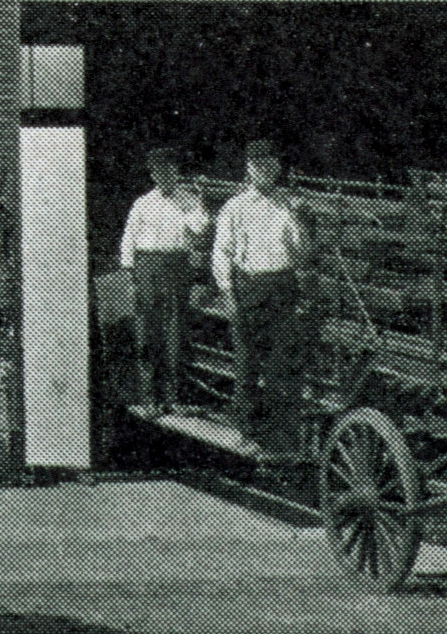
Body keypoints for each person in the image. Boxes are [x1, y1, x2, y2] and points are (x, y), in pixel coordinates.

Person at [211, 139, 314, 458]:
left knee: (280, 366)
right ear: (249, 169)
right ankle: (246, 432)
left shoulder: (290, 204)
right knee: (247, 363)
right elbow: (221, 253)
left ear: (278, 169)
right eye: (258, 166)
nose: (265, 171)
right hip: (248, 288)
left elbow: (304, 253)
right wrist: (227, 292)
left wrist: (301, 221)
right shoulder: (235, 207)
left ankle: (279, 440)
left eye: (270, 166)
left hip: (282, 288)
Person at [117, 146, 211, 415]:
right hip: (146, 268)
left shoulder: (190, 199)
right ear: (151, 173)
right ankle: (150, 399)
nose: (164, 175)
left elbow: (201, 229)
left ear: (177, 171)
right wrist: (129, 276)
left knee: (175, 333)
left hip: (176, 267)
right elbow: (128, 241)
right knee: (147, 333)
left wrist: (198, 201)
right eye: (158, 171)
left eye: (169, 169)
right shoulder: (142, 203)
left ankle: (176, 399)